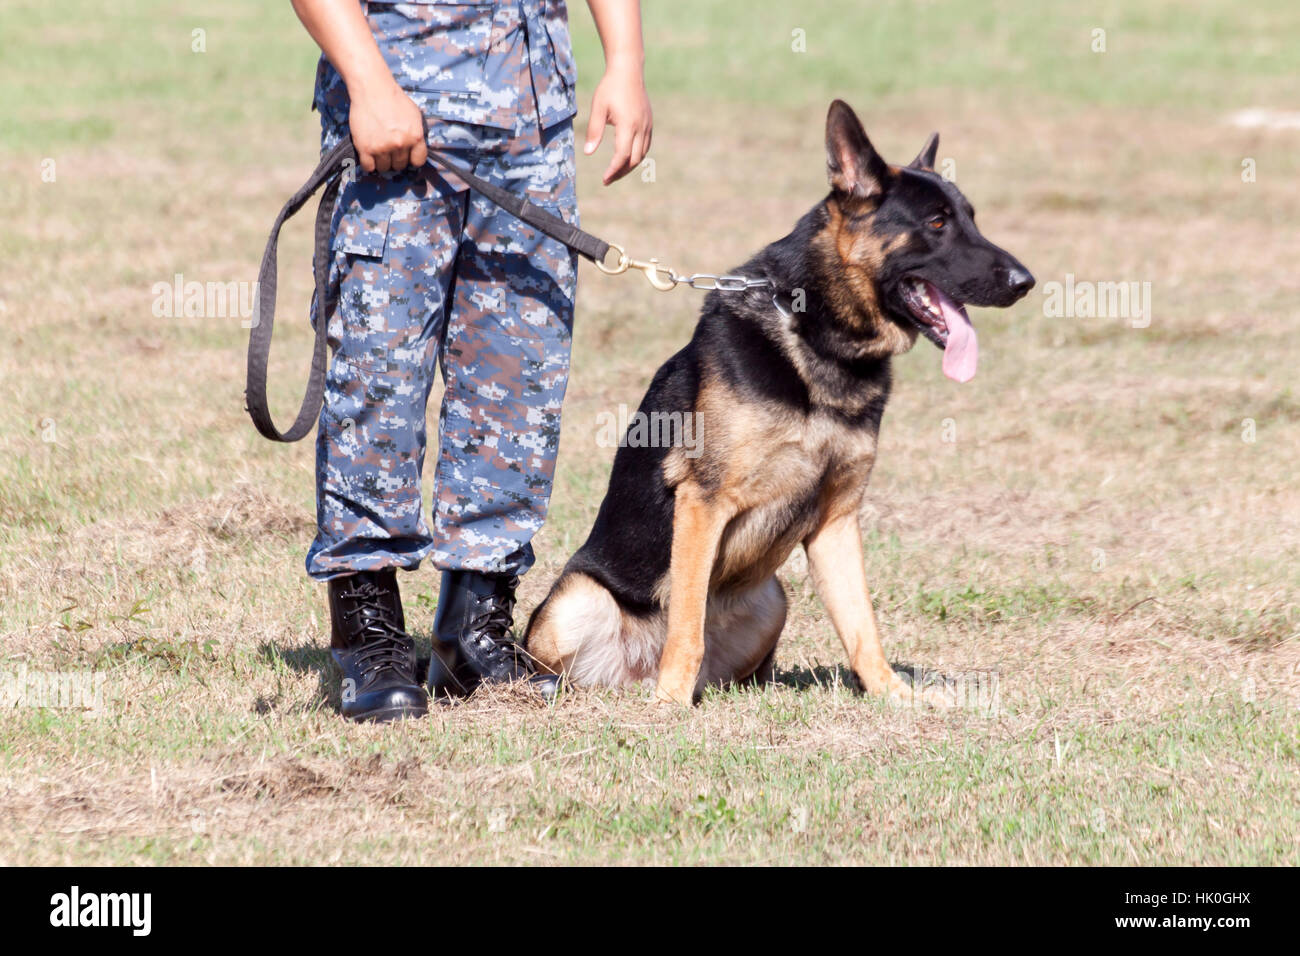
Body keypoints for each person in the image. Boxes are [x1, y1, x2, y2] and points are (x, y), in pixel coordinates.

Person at [288, 0, 652, 721]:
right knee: (378, 378)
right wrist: (369, 84)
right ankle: (370, 631)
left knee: (518, 379)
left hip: (531, 128)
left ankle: (474, 626)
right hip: (396, 127)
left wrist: (626, 61)